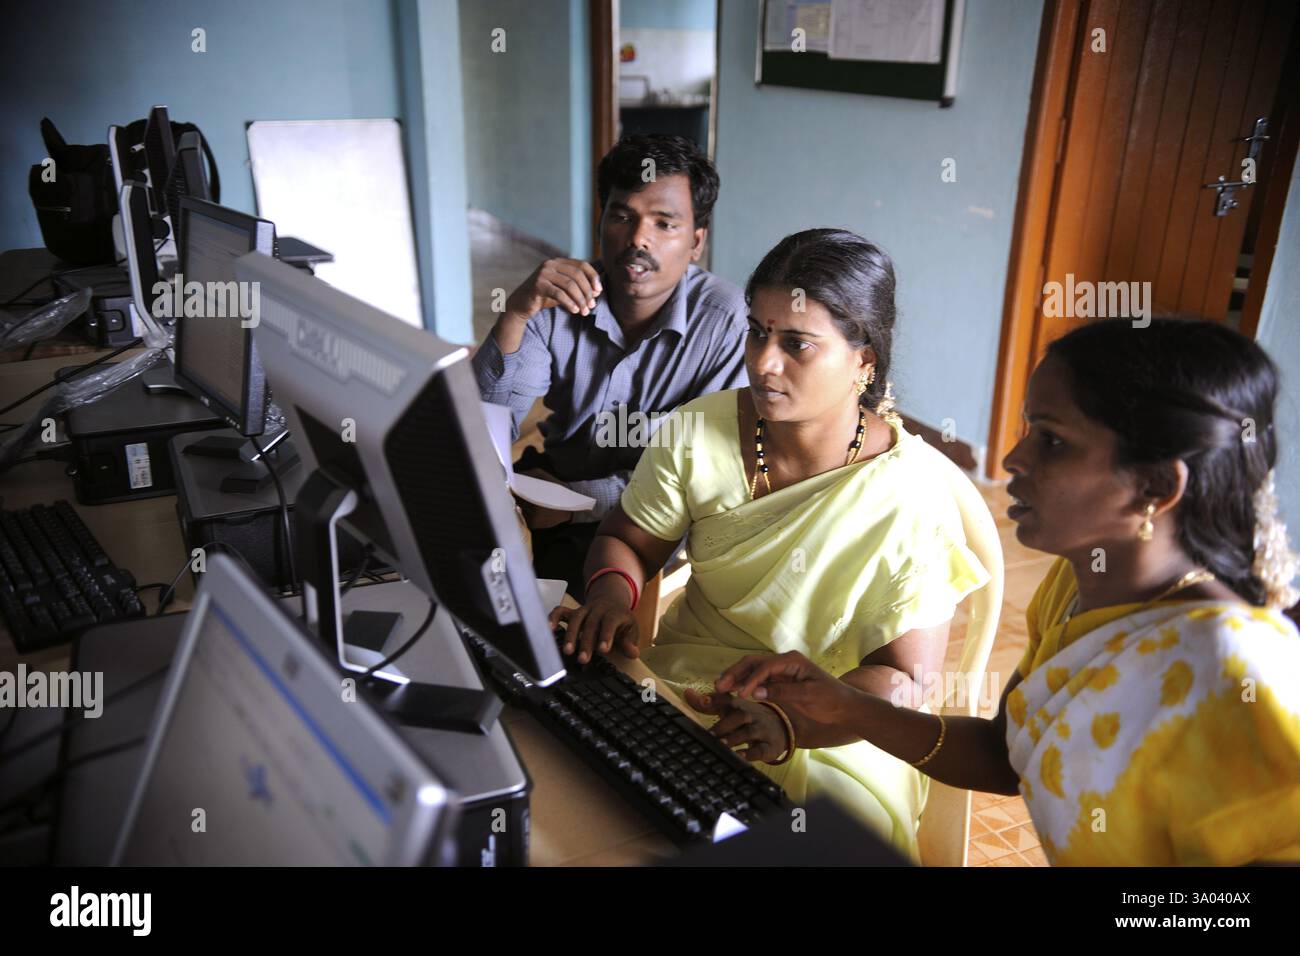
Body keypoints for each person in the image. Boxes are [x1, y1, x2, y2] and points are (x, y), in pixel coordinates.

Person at [715, 318, 1300, 866]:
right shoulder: (1077, 583)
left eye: (1051, 441)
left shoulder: (1235, 668)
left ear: (1154, 484)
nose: (1012, 459)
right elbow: (1005, 754)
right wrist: (849, 708)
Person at [550, 229, 989, 859]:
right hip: (689, 683)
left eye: (797, 344)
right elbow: (627, 539)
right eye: (757, 331)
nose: (763, 361)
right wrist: (612, 598)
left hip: (840, 725)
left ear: (864, 362)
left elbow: (906, 677)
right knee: (598, 813)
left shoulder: (909, 494)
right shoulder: (701, 429)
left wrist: (792, 721)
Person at [473, 134, 748, 600]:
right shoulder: (558, 298)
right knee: (455, 553)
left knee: (554, 616)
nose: (638, 238)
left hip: (655, 521)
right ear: (601, 221)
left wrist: (577, 504)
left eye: (664, 224)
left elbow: (704, 475)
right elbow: (484, 429)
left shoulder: (726, 321)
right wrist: (516, 314)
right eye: (623, 216)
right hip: (550, 486)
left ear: (696, 242)